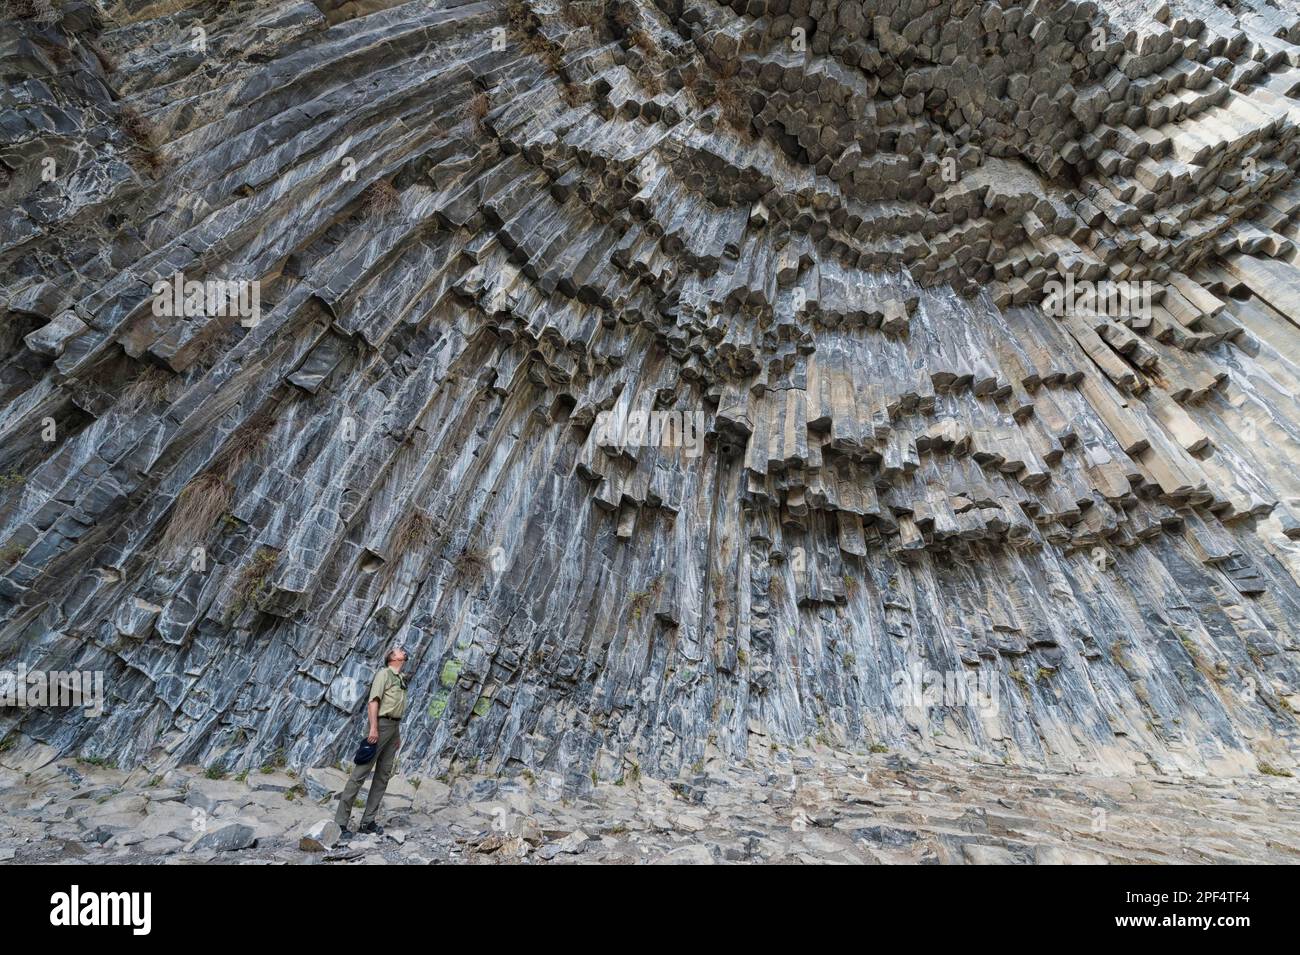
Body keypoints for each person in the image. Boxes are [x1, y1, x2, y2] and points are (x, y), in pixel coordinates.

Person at [335, 646, 407, 837]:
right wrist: (373, 728)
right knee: (360, 773)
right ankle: (340, 823)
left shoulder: (400, 678)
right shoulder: (384, 674)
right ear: (392, 658)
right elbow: (373, 702)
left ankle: (368, 822)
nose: (402, 651)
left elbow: (396, 708)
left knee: (383, 775)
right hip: (380, 726)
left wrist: (397, 735)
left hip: (393, 729)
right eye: (398, 650)